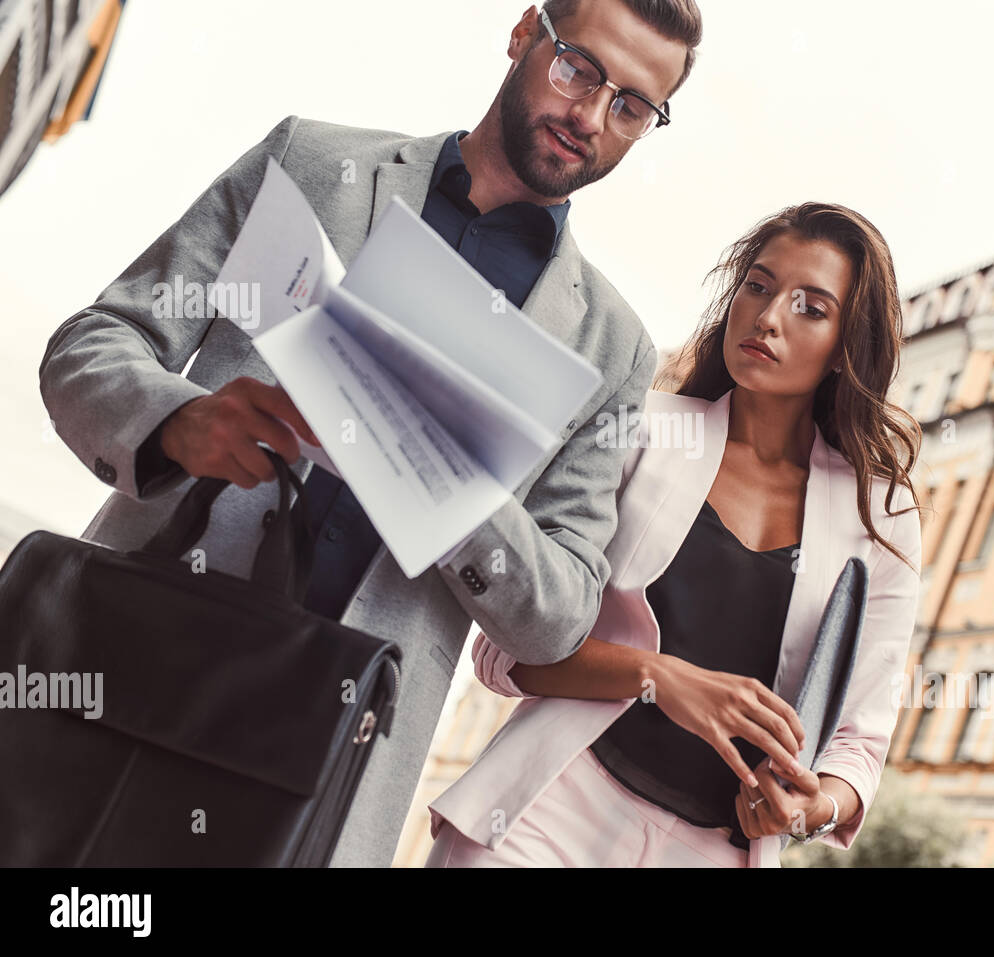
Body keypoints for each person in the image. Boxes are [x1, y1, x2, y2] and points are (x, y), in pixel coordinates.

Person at [37, 0, 703, 867]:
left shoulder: (613, 351)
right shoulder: (308, 159)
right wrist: (179, 421)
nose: (590, 116)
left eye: (630, 107)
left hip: (329, 761)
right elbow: (95, 342)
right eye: (579, 66)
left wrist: (452, 484)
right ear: (523, 33)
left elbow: (563, 614)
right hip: (129, 655)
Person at [427, 202, 925, 867]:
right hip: (545, 814)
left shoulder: (880, 518)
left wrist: (807, 806)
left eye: (811, 307)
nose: (769, 317)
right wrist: (658, 678)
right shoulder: (638, 432)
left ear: (845, 349)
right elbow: (504, 649)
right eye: (758, 284)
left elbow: (859, 740)